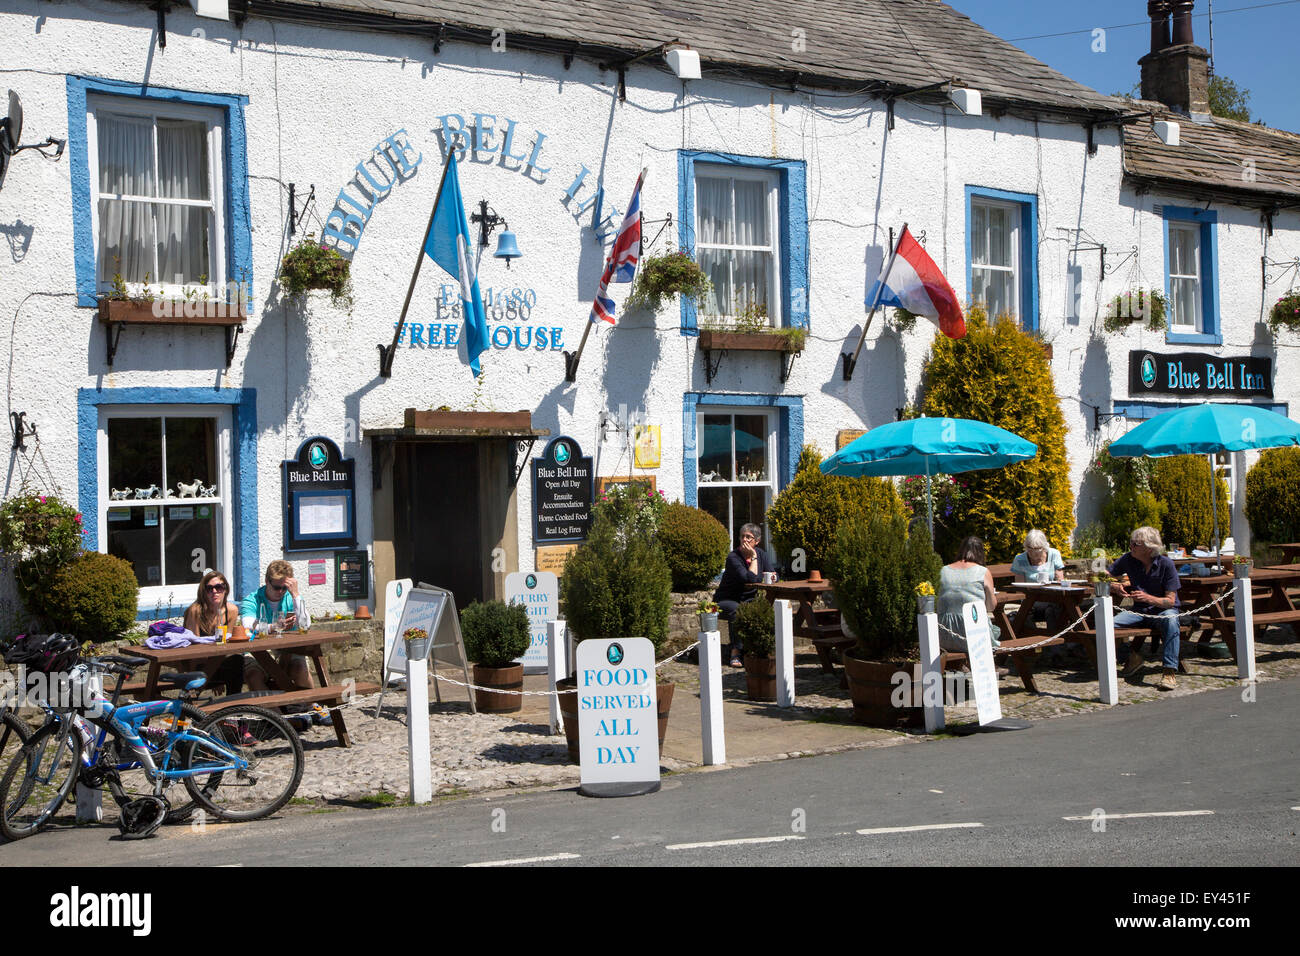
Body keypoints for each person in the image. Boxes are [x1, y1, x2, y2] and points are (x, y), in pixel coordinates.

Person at [239, 560, 327, 725]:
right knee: (253, 674)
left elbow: (305, 625)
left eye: (284, 588)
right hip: (259, 648)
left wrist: (295, 594)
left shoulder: (290, 597)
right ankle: (278, 719)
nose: (280, 591)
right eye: (277, 587)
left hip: (287, 647)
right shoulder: (253, 599)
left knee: (299, 666)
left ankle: (310, 705)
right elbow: (248, 624)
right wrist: (273, 627)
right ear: (267, 582)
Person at [1110, 526, 1182, 691]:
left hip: (1163, 610)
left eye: (1136, 544)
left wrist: (1149, 598)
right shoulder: (1128, 559)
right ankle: (1131, 657)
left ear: (1150, 548)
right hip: (1139, 611)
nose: (1131, 546)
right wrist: (1114, 585)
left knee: (1171, 620)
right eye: (1131, 542)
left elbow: (1171, 601)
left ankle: (1169, 672)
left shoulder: (1166, 564)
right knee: (1108, 624)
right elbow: (1099, 574)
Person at [714, 523, 775, 666]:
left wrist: (771, 576)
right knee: (737, 610)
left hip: (749, 599)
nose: (745, 540)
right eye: (743, 537)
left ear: (757, 541)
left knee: (766, 610)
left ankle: (760, 649)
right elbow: (749, 579)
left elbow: (773, 575)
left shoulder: (762, 554)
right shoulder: (733, 557)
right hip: (726, 599)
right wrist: (753, 557)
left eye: (749, 537)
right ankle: (736, 652)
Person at [181, 570, 243, 693]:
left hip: (217, 662)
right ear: (203, 592)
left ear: (225, 589)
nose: (214, 592)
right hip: (198, 667)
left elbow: (225, 645)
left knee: (237, 660)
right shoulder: (195, 611)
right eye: (209, 588)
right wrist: (212, 668)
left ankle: (234, 706)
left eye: (218, 587)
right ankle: (196, 693)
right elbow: (194, 650)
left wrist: (216, 664)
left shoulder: (231, 610)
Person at [936, 536, 1001, 652]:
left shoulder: (943, 570)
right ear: (981, 552)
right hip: (973, 635)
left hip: (943, 635)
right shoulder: (982, 572)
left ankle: (962, 665)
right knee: (993, 628)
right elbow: (991, 607)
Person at [1010, 529, 1065, 633]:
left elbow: (1060, 581)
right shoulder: (1019, 559)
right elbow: (1019, 589)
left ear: (1044, 547)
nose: (1034, 556)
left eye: (1038, 552)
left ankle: (1055, 645)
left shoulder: (1054, 554)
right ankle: (1034, 643)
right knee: (1024, 614)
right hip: (1030, 600)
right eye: (1030, 551)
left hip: (1051, 599)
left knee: (1054, 611)